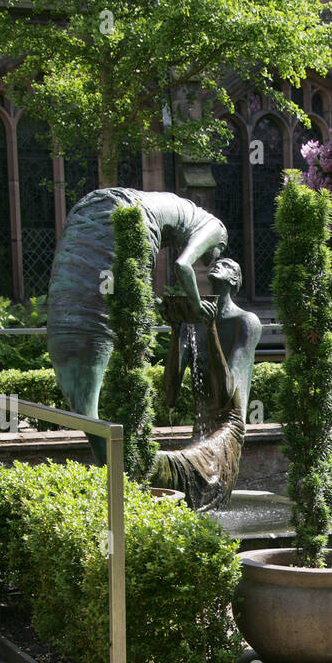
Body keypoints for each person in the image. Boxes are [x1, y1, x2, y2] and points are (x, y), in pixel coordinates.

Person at [47, 187, 228, 461]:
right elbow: (182, 265)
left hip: (98, 209)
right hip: (130, 214)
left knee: (113, 296)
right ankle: (119, 470)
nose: (213, 259)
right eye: (217, 253)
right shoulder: (214, 228)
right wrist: (195, 303)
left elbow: (126, 281)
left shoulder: (175, 213)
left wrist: (155, 302)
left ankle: (111, 465)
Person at [151, 256, 262, 512]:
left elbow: (226, 394)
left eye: (225, 264)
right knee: (165, 473)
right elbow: (170, 394)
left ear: (235, 280)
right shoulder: (195, 323)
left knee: (169, 466)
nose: (215, 265)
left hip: (227, 429)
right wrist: (177, 329)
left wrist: (210, 329)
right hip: (201, 431)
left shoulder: (246, 322)